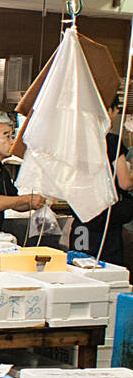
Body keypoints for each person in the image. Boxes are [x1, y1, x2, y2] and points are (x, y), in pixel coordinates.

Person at [74, 98, 133, 267]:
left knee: (79, 266)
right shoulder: (112, 141)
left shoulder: (75, 142)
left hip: (81, 220)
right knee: (107, 272)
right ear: (111, 111)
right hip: (106, 221)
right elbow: (124, 183)